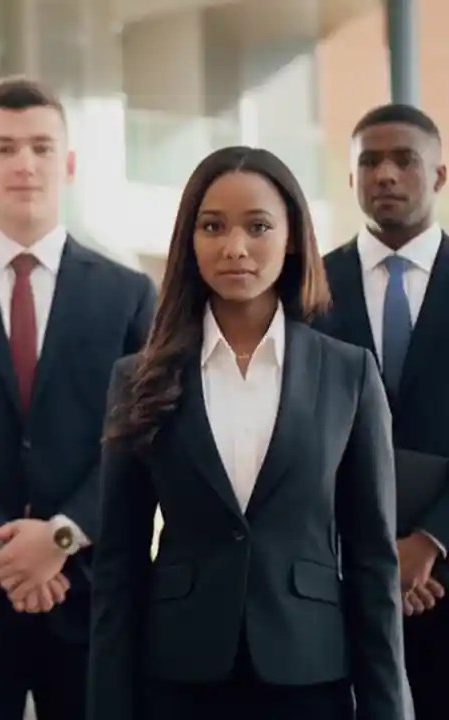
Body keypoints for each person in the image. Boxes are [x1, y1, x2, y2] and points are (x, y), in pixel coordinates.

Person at [90, 146, 410, 720]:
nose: (234, 247)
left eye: (258, 226)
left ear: (291, 237)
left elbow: (373, 563)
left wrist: (390, 707)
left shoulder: (348, 373)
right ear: (190, 240)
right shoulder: (137, 378)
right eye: (212, 226)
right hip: (179, 676)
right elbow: (117, 564)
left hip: (309, 673)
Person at [0, 75, 155, 720]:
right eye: (6, 147)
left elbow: (144, 434)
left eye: (42, 147)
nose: (24, 163)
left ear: (68, 164)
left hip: (92, 591)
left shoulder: (128, 296)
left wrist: (64, 535)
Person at [314, 103, 449, 718]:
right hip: (336, 584)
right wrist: (365, 550)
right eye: (370, 162)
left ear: (440, 176)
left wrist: (429, 541)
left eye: (404, 160)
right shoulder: (307, 288)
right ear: (351, 180)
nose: (386, 175)